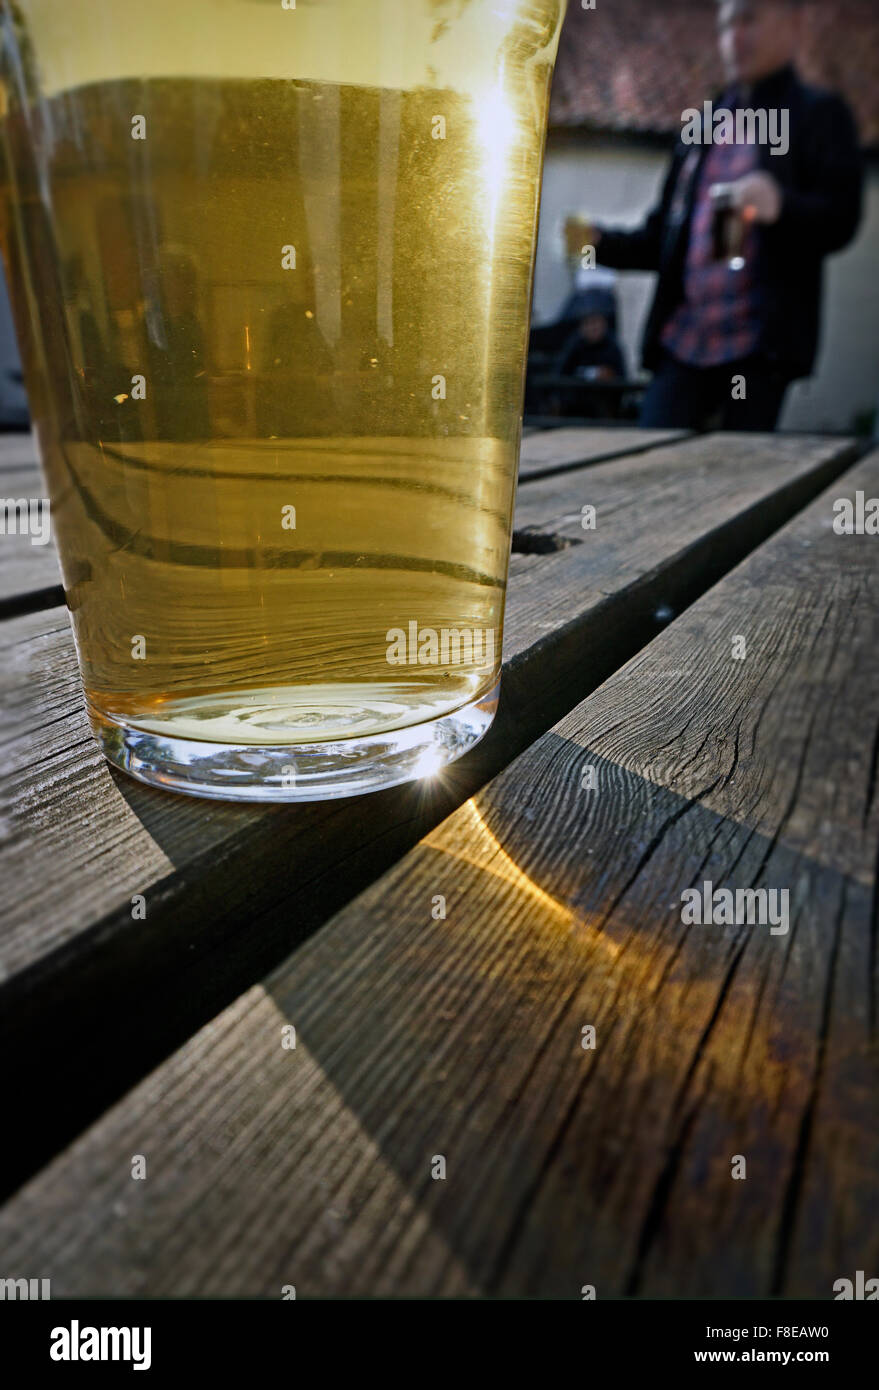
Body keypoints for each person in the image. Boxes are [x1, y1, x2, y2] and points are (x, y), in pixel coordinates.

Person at [568, 0, 863, 431]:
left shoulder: (816, 115)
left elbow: (842, 218)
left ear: (793, 25)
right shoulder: (700, 126)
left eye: (750, 19)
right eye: (727, 25)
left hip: (756, 349)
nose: (735, 37)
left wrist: (782, 207)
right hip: (682, 342)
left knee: (735, 477)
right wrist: (599, 245)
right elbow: (662, 242)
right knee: (649, 468)